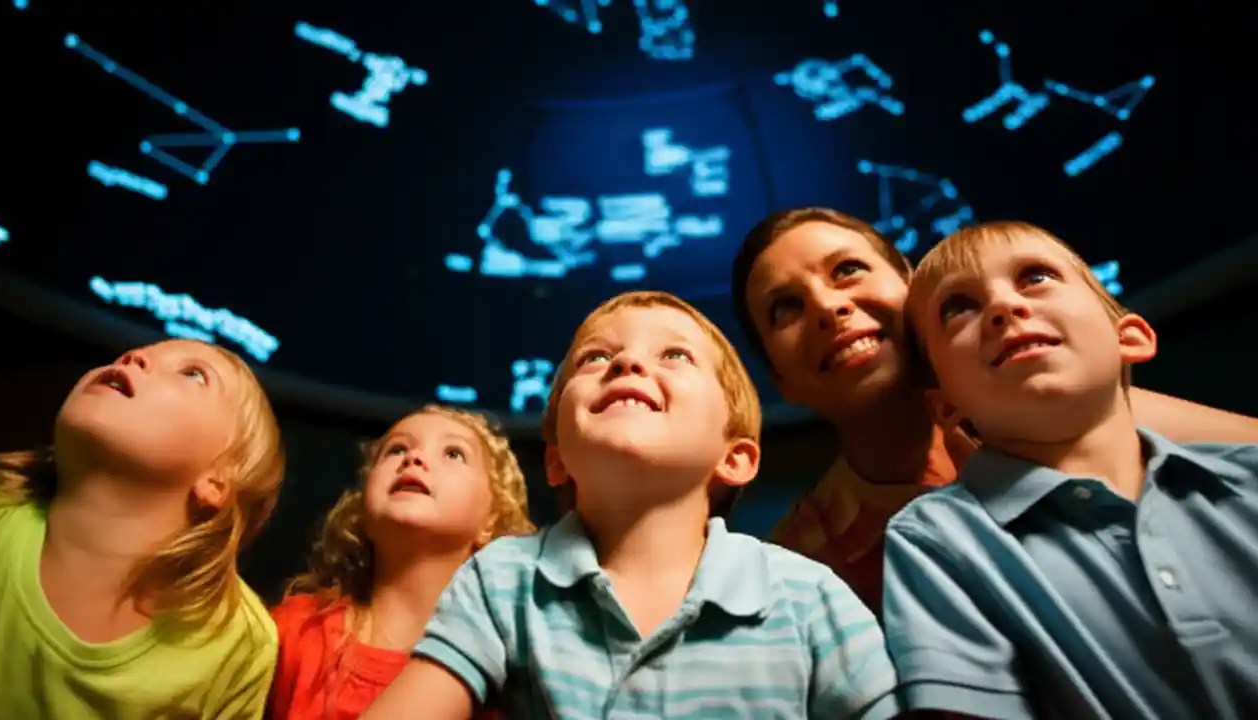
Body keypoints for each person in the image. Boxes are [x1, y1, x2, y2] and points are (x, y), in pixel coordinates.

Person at [363, 290, 901, 719]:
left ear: (735, 457)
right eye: (595, 357)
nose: (626, 362)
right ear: (557, 461)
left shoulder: (811, 598)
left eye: (675, 355)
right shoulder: (502, 580)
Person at [732, 207, 1258, 612]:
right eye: (785, 308)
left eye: (847, 270)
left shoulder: (1077, 410)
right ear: (780, 383)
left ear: (913, 285)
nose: (828, 306)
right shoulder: (798, 565)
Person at [881, 220, 1258, 717]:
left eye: (1035, 277)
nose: (1002, 306)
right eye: (959, 308)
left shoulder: (1249, 475)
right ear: (945, 404)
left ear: (1131, 337)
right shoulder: (938, 538)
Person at [0, 339, 285, 718]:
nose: (134, 356)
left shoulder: (239, 644)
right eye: (137, 353)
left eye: (193, 374)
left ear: (219, 481)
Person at [268, 405, 535, 720]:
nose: (414, 458)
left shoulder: (510, 675)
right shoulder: (295, 630)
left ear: (492, 518)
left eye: (453, 454)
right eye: (396, 450)